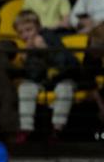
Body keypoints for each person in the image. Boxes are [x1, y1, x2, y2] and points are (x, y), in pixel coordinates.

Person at [13, 10, 80, 140]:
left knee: (64, 88)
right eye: (21, 32)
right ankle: (26, 130)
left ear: (38, 27)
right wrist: (26, 59)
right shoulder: (26, 49)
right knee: (25, 88)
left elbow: (65, 63)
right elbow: (33, 76)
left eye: (29, 30)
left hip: (62, 78)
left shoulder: (51, 37)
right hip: (42, 81)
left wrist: (46, 50)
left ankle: (57, 129)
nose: (25, 35)